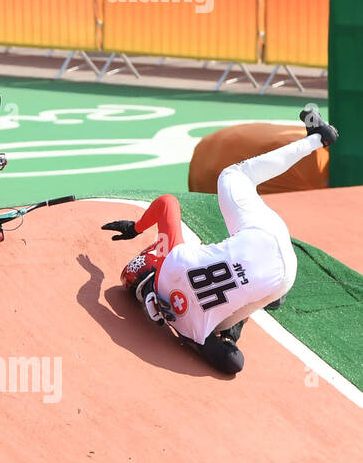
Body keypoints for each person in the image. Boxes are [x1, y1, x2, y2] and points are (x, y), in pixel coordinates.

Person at [105, 106, 339, 374]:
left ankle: (254, 314)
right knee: (234, 175)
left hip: (282, 279)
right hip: (264, 234)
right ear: (152, 268)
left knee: (239, 308)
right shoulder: (174, 261)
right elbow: (167, 203)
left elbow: (233, 364)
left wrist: (207, 343)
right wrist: (135, 227)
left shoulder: (192, 330)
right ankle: (317, 139)